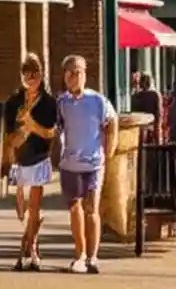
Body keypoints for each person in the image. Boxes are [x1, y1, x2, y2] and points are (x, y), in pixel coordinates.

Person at [55, 54, 117, 274]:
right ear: (65, 76)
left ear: (85, 74)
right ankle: (79, 254)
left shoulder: (98, 100)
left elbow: (112, 121)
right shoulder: (61, 103)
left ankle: (93, 257)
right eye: (71, 72)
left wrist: (110, 149)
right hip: (70, 163)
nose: (75, 76)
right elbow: (56, 129)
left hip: (93, 162)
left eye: (79, 72)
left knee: (92, 208)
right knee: (74, 209)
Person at [3, 53, 58, 272]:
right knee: (22, 211)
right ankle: (30, 241)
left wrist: (31, 125)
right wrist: (15, 142)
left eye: (35, 72)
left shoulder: (48, 103)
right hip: (19, 161)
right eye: (26, 72)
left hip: (39, 158)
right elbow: (8, 136)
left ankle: (29, 250)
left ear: (41, 74)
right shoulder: (13, 102)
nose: (30, 77)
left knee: (33, 208)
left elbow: (50, 133)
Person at [129, 73, 164, 144]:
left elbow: (159, 115)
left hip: (145, 128)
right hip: (147, 127)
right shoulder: (153, 95)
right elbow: (159, 114)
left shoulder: (138, 96)